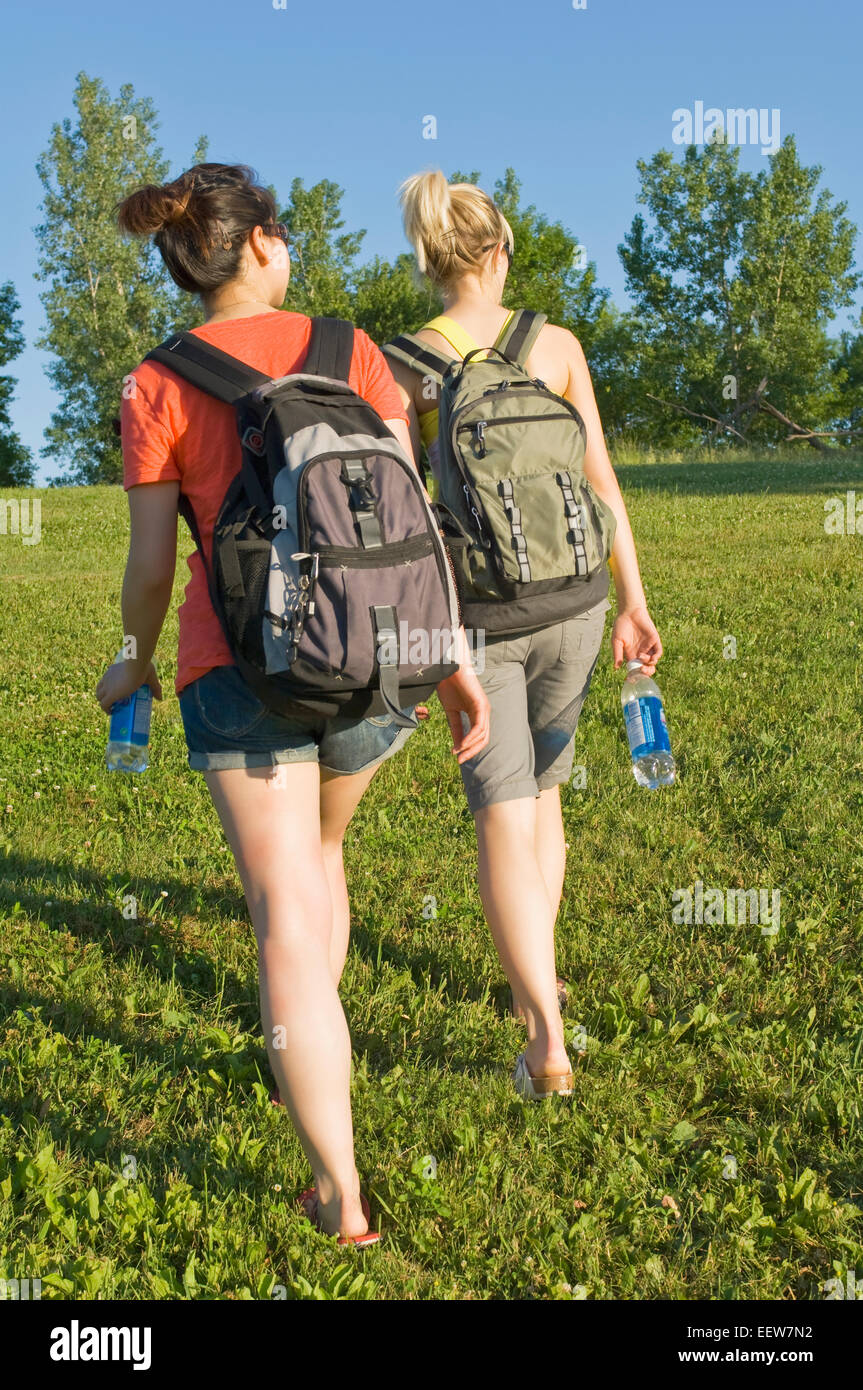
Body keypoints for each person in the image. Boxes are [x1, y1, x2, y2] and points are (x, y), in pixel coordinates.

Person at [96, 164, 488, 1244]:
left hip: (239, 669)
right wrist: (447, 653)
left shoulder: (155, 383)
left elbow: (147, 568)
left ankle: (340, 1191)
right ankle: (310, 1053)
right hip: (375, 659)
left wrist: (130, 658)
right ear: (261, 243)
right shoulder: (352, 351)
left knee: (280, 914)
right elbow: (412, 516)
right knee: (321, 867)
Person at [385, 170, 663, 1099]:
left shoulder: (404, 365)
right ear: (501, 249)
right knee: (545, 797)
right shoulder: (558, 344)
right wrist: (632, 600)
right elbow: (603, 487)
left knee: (500, 814)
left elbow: (396, 524)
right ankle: (535, 989)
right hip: (578, 606)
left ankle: (542, 1030)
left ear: (428, 262)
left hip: (481, 624)